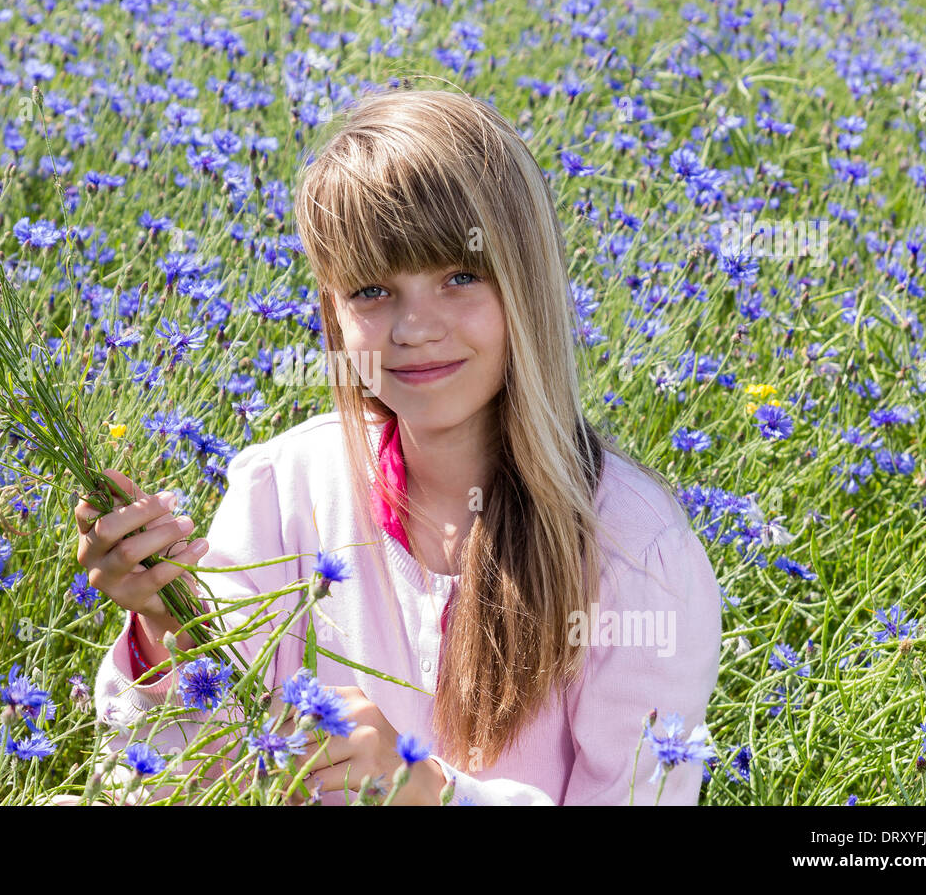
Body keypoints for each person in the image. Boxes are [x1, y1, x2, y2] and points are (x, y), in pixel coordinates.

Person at [69, 83, 722, 806]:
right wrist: (164, 623)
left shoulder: (636, 553)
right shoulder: (284, 488)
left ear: (527, 287)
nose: (414, 329)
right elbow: (160, 781)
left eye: (460, 277)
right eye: (372, 291)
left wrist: (423, 790)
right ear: (332, 310)